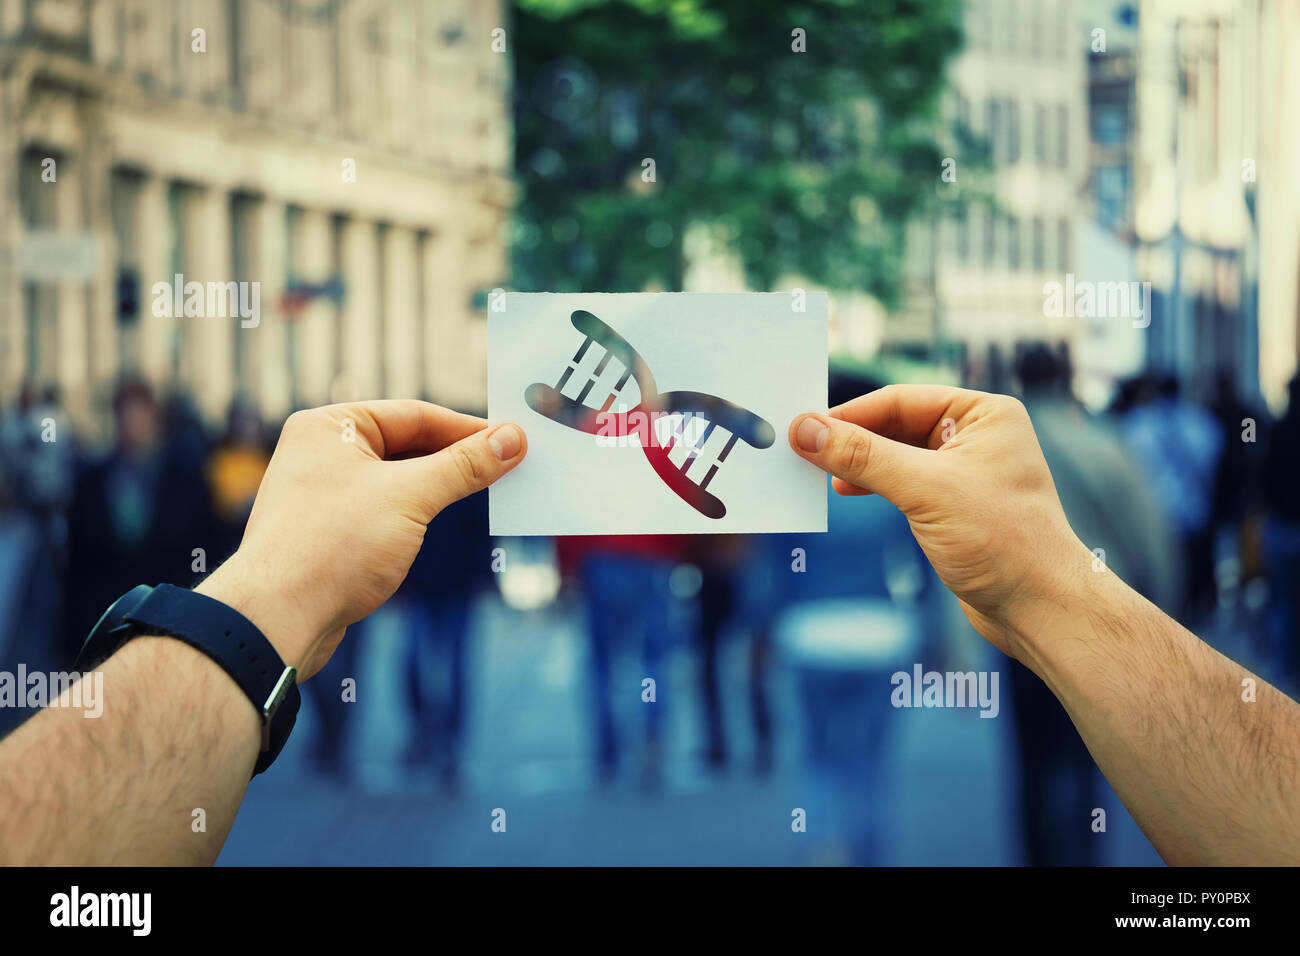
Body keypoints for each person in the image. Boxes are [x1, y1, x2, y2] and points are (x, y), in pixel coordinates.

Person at [1, 388, 1298, 865]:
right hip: (823, 633)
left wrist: (266, 594)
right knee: (863, 758)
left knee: (822, 748)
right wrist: (1048, 599)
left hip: (773, 631)